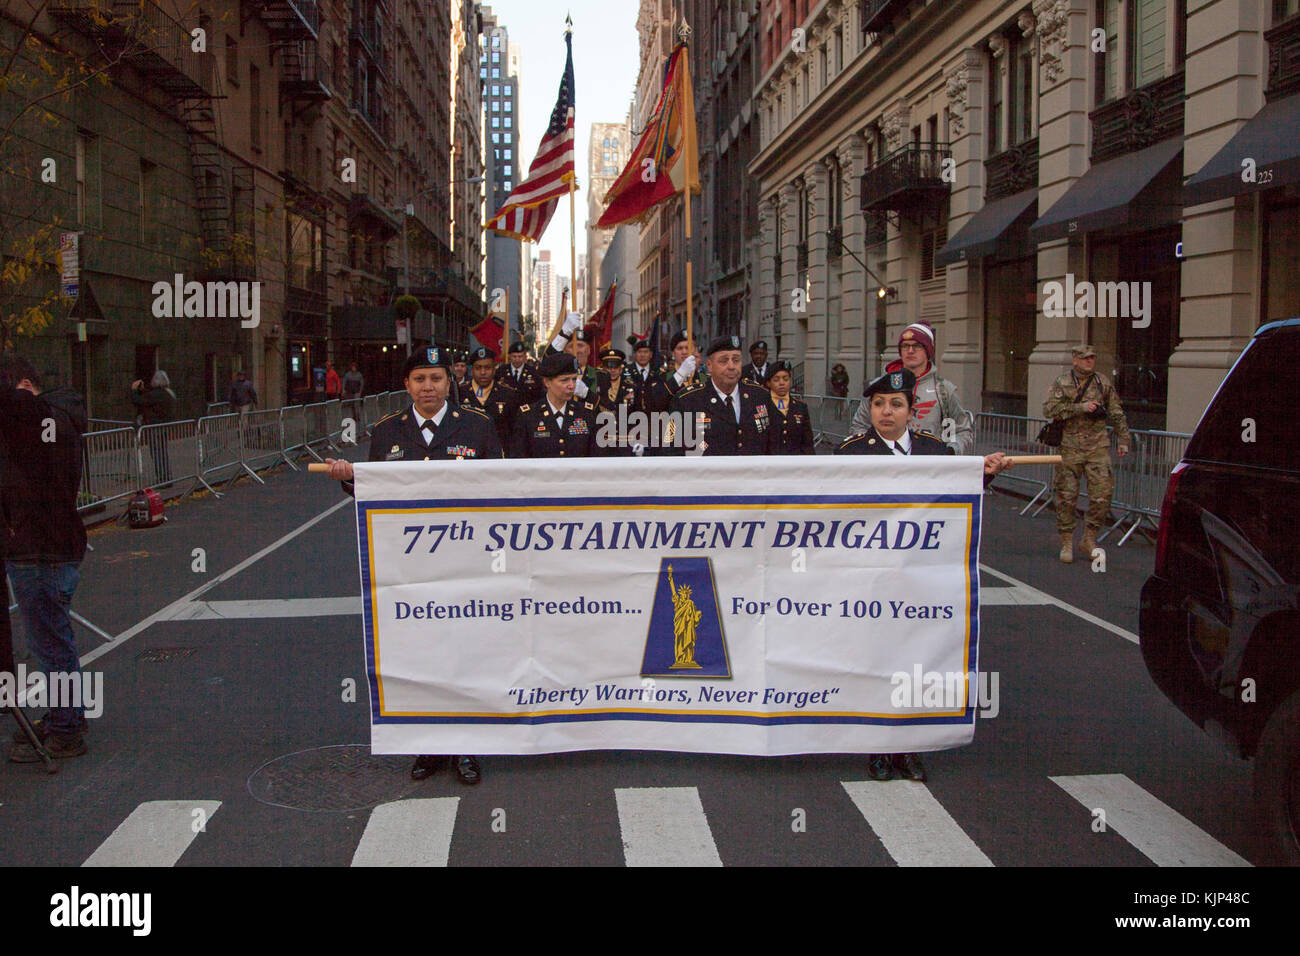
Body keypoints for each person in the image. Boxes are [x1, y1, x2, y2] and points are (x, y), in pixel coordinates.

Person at [324, 345, 501, 785]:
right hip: (410, 570)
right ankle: (427, 744)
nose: (428, 387)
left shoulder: (477, 427)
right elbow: (372, 493)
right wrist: (349, 477)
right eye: (419, 379)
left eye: (436, 378)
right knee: (421, 657)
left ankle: (467, 747)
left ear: (449, 382)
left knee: (465, 655)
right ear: (407, 385)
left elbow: (500, 489)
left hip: (465, 564)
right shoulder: (387, 433)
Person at [837, 368, 1011, 782]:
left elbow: (958, 487)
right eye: (878, 404)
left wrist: (986, 471)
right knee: (876, 661)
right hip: (873, 577)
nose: (886, 412)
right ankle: (877, 748)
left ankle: (910, 748)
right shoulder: (853, 452)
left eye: (896, 405)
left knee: (916, 662)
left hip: (920, 579)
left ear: (911, 412)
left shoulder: (933, 450)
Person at [1, 354, 91, 761]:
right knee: (56, 638)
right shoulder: (64, 416)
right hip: (56, 542)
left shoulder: (40, 418)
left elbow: (24, 410)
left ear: (21, 387)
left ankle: (66, 728)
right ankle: (65, 715)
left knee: (49, 642)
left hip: (38, 546)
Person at [1042, 344, 1130, 563]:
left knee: (1102, 494)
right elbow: (1049, 409)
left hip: (1097, 447)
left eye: (1092, 357)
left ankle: (1089, 539)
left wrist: (1124, 438)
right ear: (1075, 360)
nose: (1089, 361)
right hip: (1070, 446)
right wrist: (1080, 407)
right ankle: (1066, 542)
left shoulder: (1102, 382)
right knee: (1066, 496)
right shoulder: (1062, 383)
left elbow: (1116, 410)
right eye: (1085, 358)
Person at [851, 322, 974, 455]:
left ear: (928, 351)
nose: (910, 351)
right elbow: (859, 426)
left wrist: (950, 451)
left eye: (917, 346)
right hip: (885, 465)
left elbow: (961, 431)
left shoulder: (944, 390)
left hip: (929, 466)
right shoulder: (879, 387)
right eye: (905, 346)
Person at [668, 335, 779, 456]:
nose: (731, 366)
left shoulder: (759, 395)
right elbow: (670, 449)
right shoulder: (687, 400)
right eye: (723, 361)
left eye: (736, 360)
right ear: (709, 365)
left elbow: (774, 443)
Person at [508, 352, 602, 459]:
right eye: (564, 380)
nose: (571, 386)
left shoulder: (585, 413)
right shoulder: (529, 416)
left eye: (574, 379)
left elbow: (595, 457)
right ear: (547, 382)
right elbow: (519, 459)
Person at [461, 345, 517, 448]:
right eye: (478, 368)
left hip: (498, 453)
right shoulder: (460, 392)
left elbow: (513, 430)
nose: (483, 372)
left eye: (487, 368)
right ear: (472, 370)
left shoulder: (507, 393)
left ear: (494, 369)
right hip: (469, 453)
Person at [131, 370, 178, 484]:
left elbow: (140, 401)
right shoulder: (168, 393)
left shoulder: (157, 394)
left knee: (157, 452)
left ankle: (163, 478)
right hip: (164, 426)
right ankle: (166, 476)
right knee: (162, 452)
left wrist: (133, 390)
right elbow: (150, 400)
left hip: (155, 426)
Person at [766, 361, 815, 455]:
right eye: (776, 380)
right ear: (768, 383)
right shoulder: (762, 405)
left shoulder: (800, 407)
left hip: (795, 463)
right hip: (770, 463)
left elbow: (807, 443)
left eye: (785, 379)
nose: (782, 383)